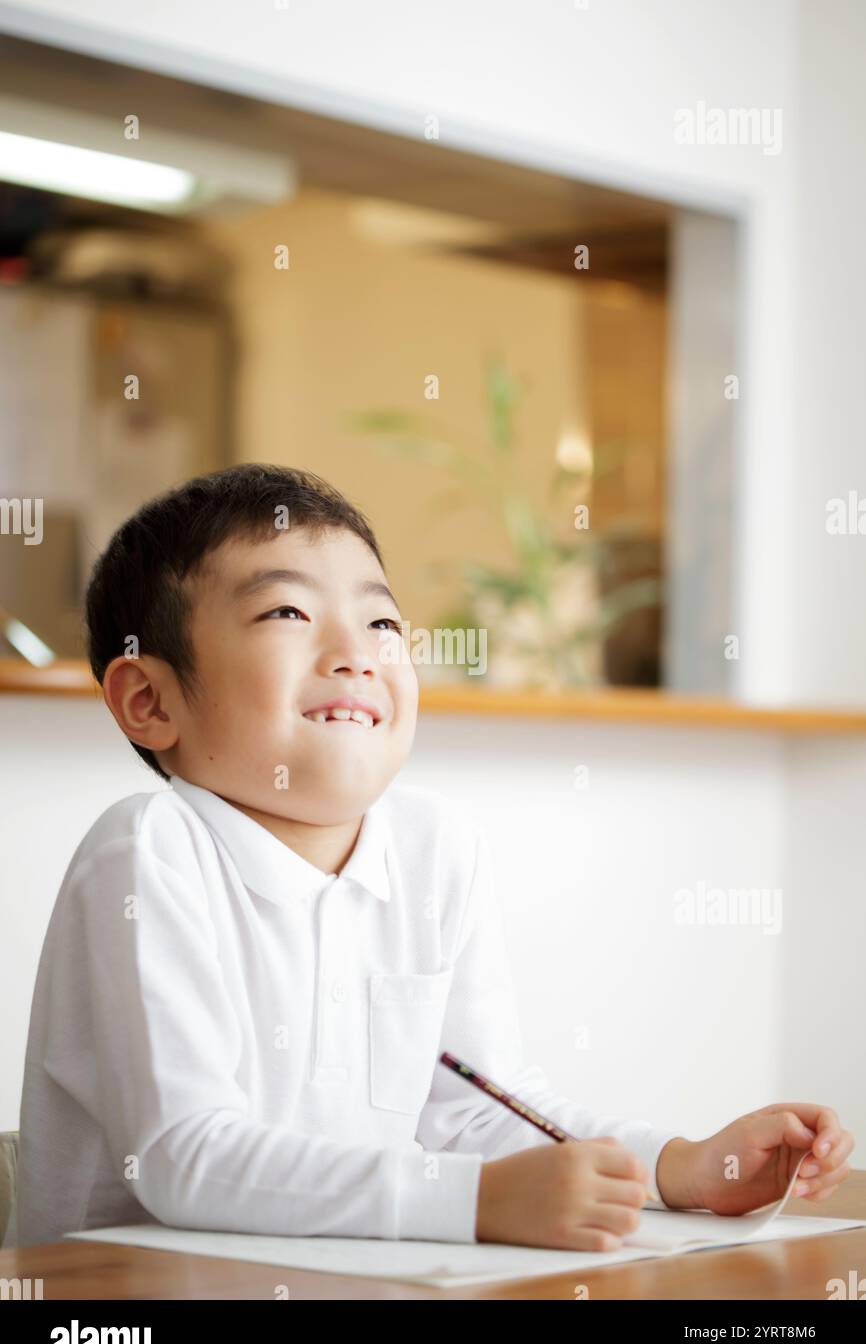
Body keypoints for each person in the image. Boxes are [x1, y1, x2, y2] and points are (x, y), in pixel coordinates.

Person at [16, 465, 853, 1249]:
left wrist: (684, 1166)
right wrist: (474, 1203)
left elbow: (478, 1114)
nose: (357, 651)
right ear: (149, 701)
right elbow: (184, 1156)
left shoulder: (434, 850)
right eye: (287, 614)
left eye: (382, 621)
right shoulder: (147, 854)